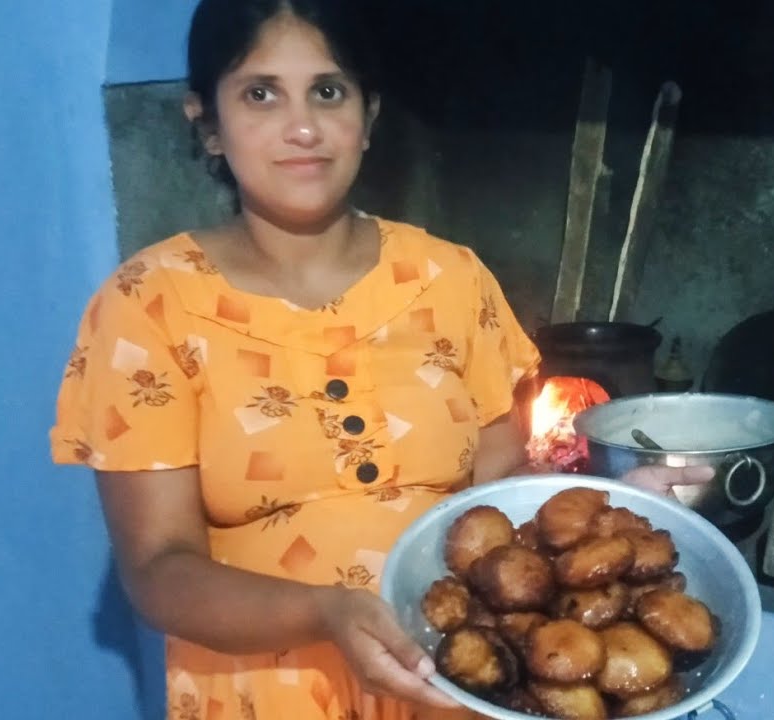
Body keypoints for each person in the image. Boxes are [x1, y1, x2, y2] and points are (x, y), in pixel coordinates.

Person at [50, 1, 712, 718]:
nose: (302, 127)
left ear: (368, 116)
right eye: (260, 93)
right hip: (266, 694)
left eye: (328, 91)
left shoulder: (451, 280)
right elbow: (158, 573)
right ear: (206, 121)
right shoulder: (149, 305)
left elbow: (499, 502)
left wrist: (618, 508)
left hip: (457, 690)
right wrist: (326, 613)